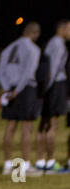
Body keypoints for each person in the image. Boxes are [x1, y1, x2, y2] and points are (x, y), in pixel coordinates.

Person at [0, 22, 43, 176]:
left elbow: (0, 71)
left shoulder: (9, 48)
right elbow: (28, 72)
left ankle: (7, 165)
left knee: (10, 126)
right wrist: (18, 90)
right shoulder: (33, 49)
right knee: (26, 128)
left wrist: (7, 89)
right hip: (25, 89)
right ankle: (25, 165)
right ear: (35, 34)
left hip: (9, 88)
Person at [35, 20, 70, 173]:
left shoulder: (53, 43)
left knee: (44, 124)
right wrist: (48, 89)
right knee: (52, 125)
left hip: (50, 86)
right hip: (55, 86)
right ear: (62, 29)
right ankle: (50, 162)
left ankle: (40, 160)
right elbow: (53, 69)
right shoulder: (58, 44)